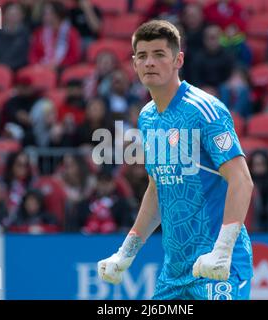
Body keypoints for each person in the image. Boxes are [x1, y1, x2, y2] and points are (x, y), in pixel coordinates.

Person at [97, 20, 254, 300]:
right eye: (142, 56)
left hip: (219, 268)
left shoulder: (206, 110)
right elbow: (158, 189)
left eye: (159, 54)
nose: (150, 63)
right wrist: (126, 253)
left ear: (178, 59)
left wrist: (222, 250)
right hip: (174, 274)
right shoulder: (146, 117)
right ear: (134, 64)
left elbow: (241, 180)